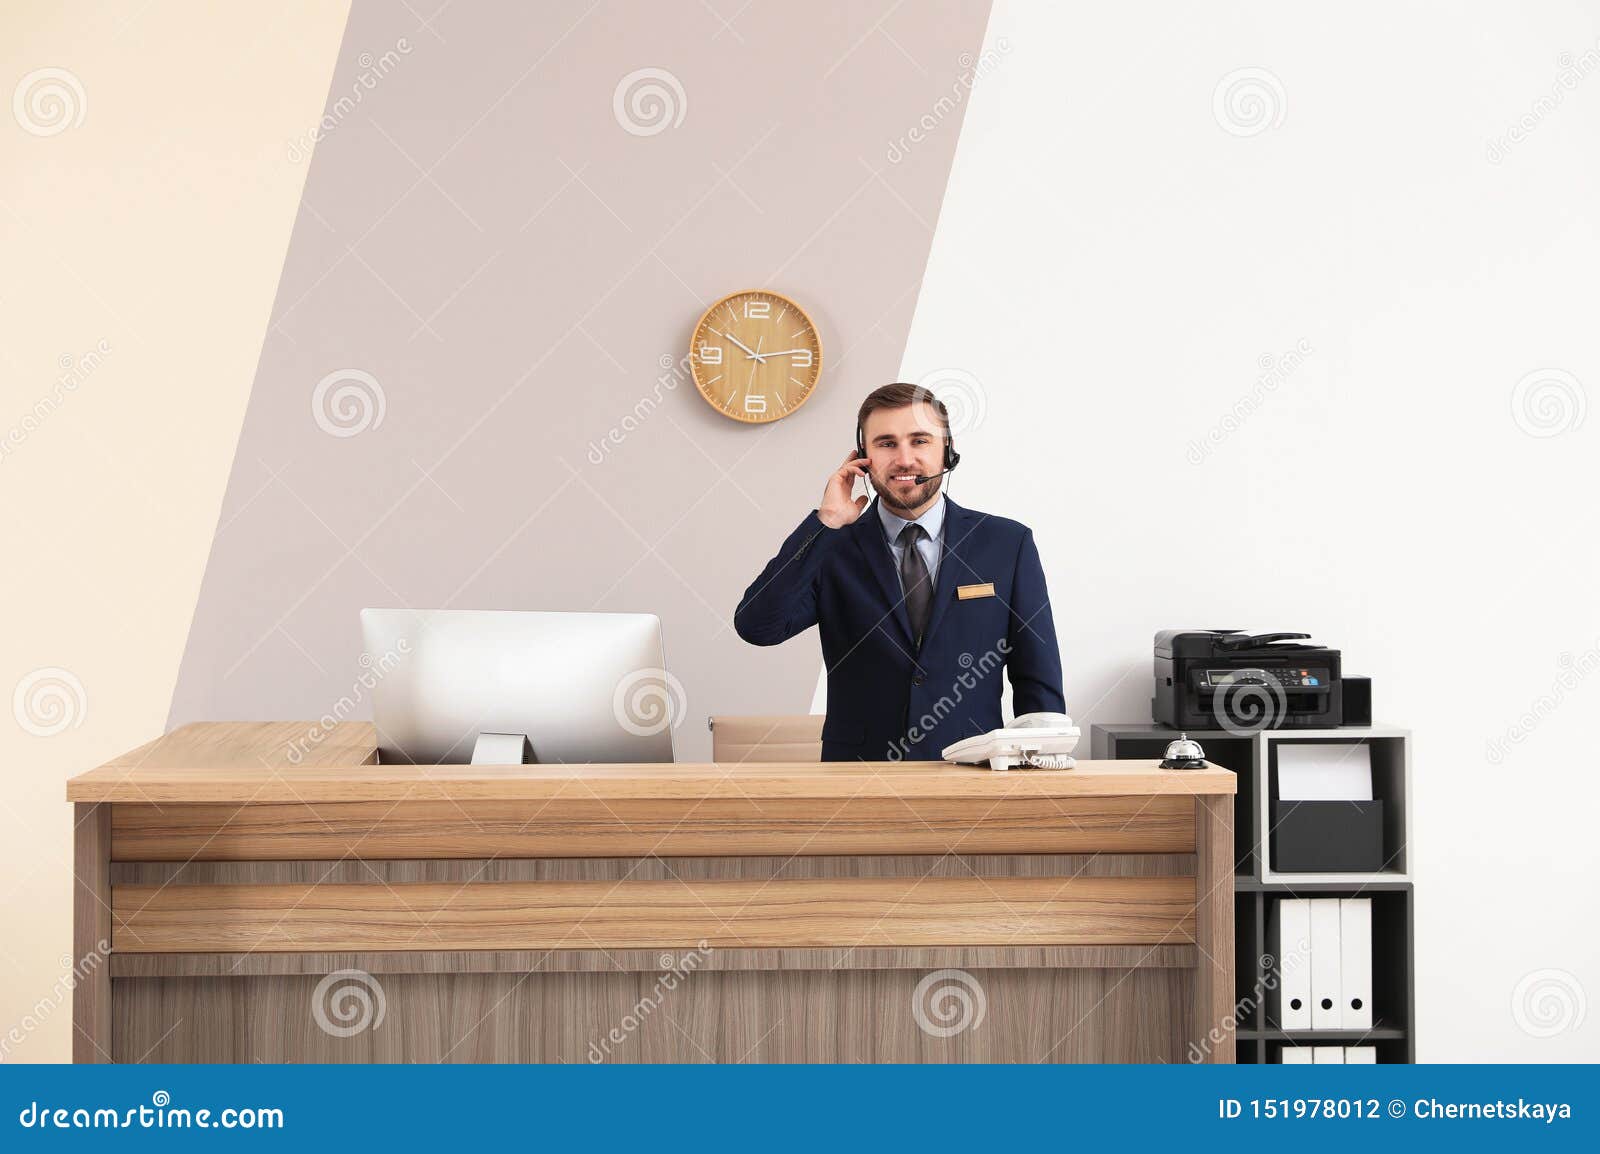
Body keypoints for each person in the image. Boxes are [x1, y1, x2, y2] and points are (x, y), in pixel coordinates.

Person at [734, 382, 1065, 761]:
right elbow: (758, 626)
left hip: (973, 773)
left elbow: (1036, 674)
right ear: (862, 457)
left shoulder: (1007, 543)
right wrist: (824, 523)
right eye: (887, 444)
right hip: (857, 777)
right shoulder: (833, 546)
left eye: (920, 441)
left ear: (947, 452)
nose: (904, 459)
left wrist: (1041, 765)